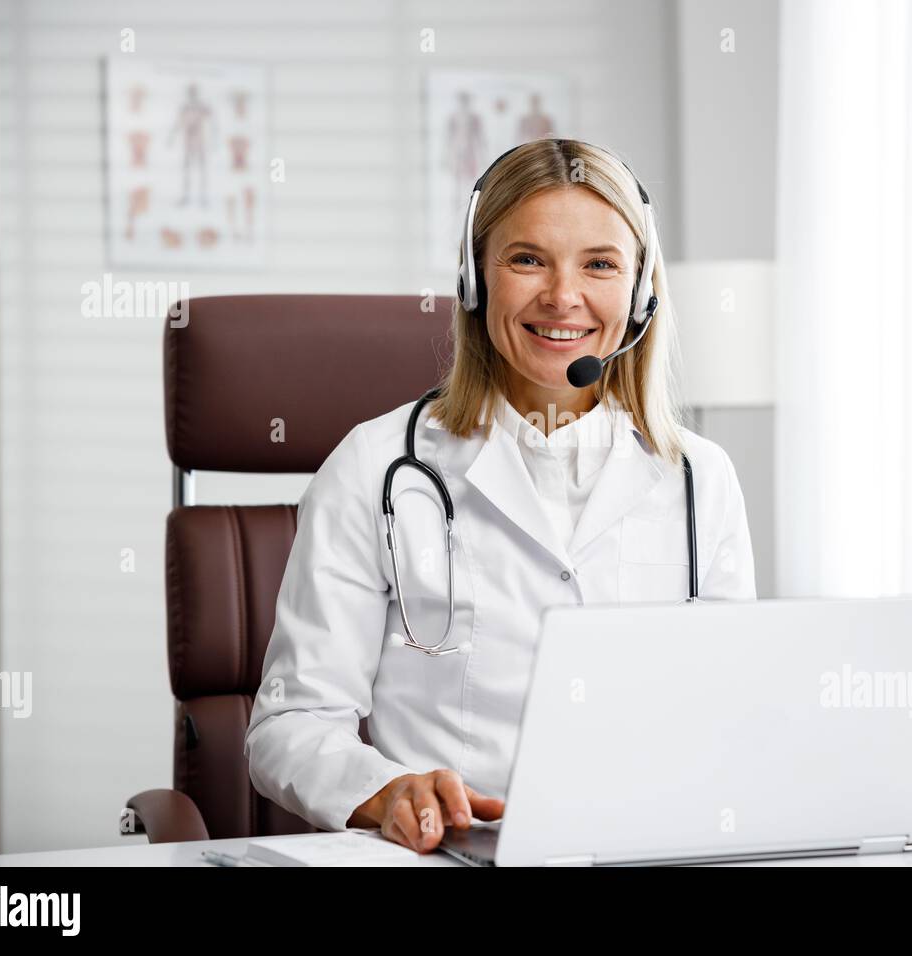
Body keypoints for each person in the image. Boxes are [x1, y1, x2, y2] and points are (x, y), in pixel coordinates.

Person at [244, 138, 756, 854]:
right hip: (457, 852)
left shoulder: (700, 478)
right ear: (474, 281)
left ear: (641, 293)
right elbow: (290, 726)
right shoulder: (377, 467)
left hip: (647, 848)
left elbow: (730, 712)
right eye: (527, 260)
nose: (563, 297)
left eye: (600, 264)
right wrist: (384, 789)